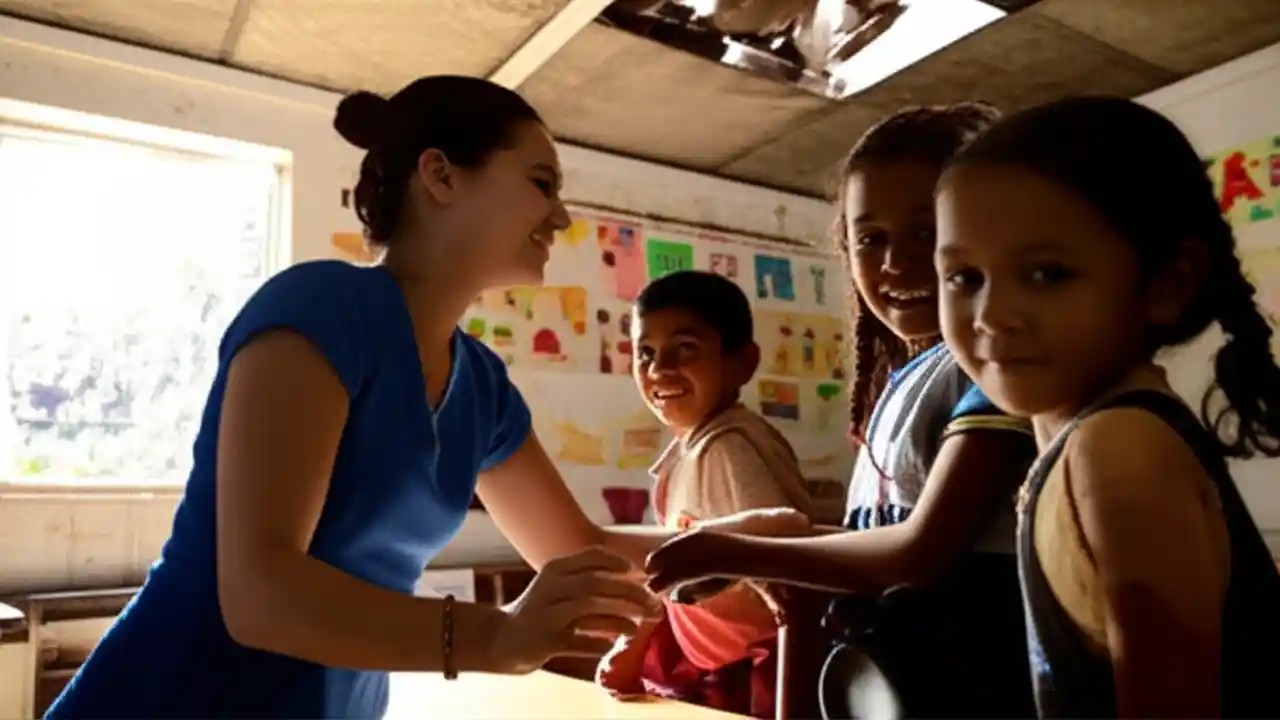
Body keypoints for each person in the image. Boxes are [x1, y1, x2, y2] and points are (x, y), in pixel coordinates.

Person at [44, 76, 804, 720]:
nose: (563, 217)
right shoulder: (322, 309)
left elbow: (580, 553)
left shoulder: (482, 387)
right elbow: (262, 594)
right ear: (440, 176)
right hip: (177, 694)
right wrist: (494, 636)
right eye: (542, 184)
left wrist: (738, 544)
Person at [646, 104, 1037, 718]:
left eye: (926, 232)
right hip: (899, 684)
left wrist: (741, 552)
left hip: (982, 688)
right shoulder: (906, 384)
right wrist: (769, 540)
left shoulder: (995, 370)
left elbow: (919, 551)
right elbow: (870, 543)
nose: (895, 262)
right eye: (871, 239)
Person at [934, 96, 1280, 718]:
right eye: (964, 277)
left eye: (1047, 274)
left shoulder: (1120, 449)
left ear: (1166, 286)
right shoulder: (1076, 443)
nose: (990, 316)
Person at [594, 271, 814, 717]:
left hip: (756, 672)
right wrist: (634, 640)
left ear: (742, 362)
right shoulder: (693, 445)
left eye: (686, 347)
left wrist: (705, 549)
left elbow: (785, 531)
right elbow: (676, 566)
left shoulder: (728, 446)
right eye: (646, 352)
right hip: (717, 662)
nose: (659, 369)